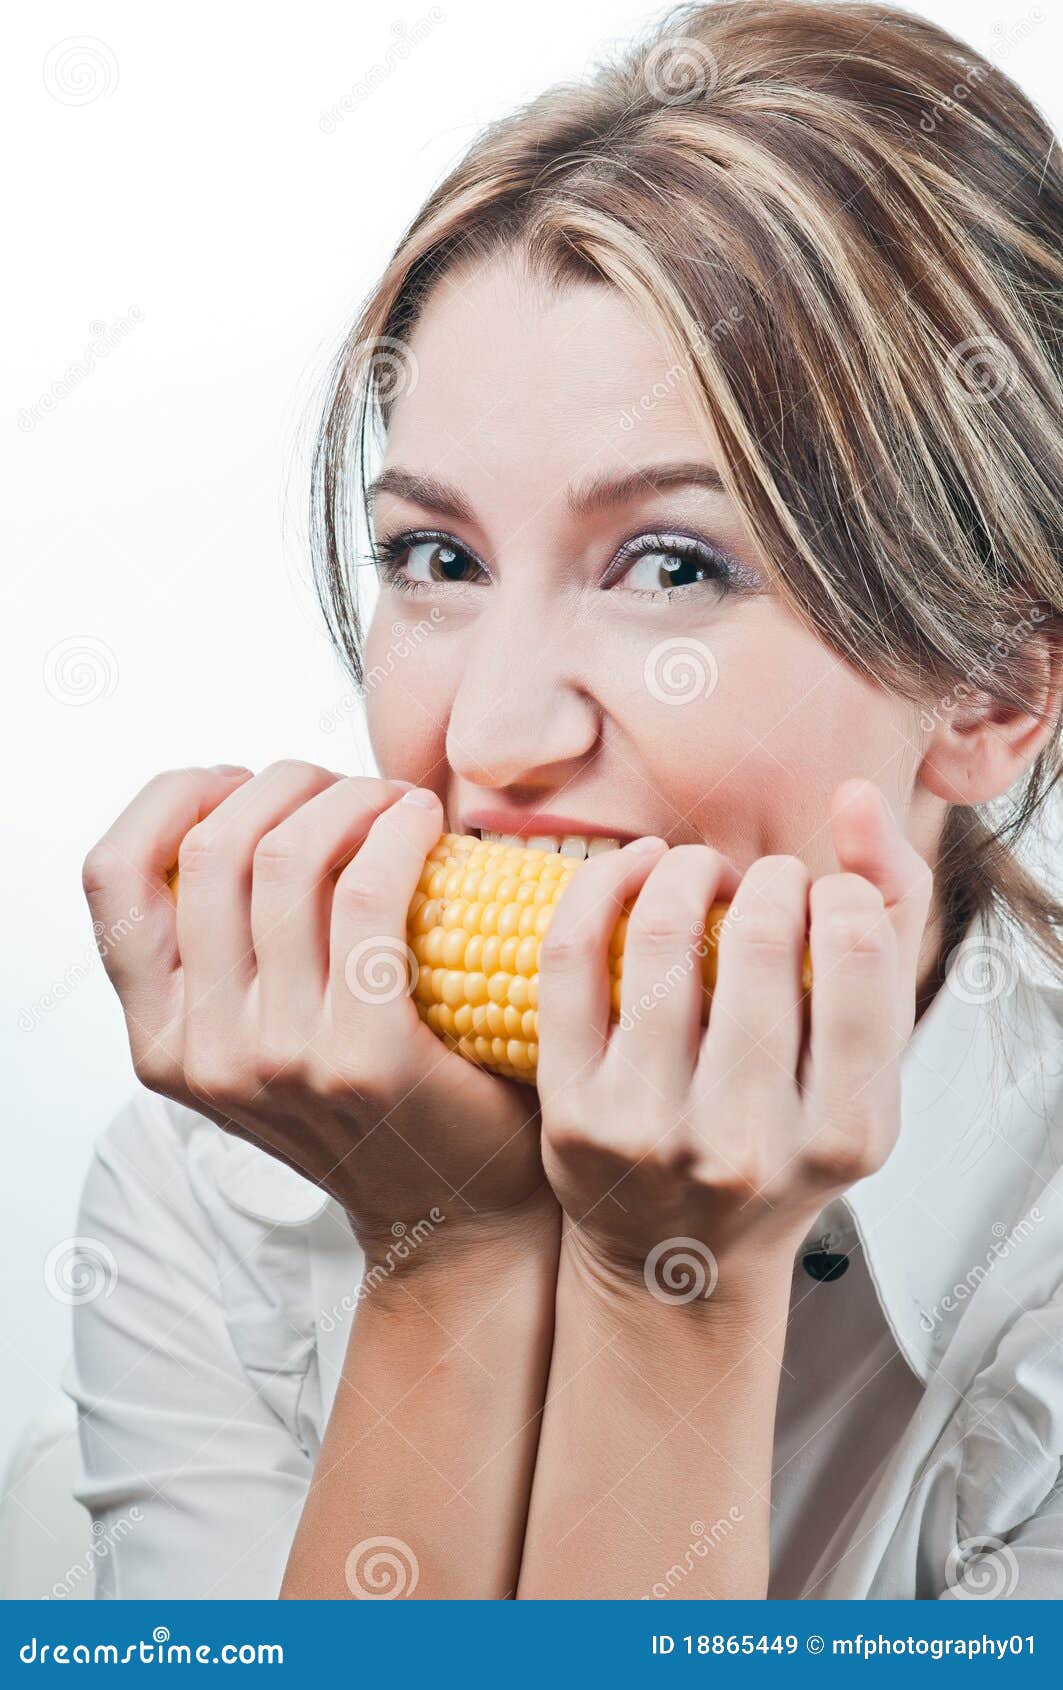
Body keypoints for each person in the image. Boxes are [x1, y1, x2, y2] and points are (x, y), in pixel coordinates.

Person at [70, 0, 1063, 1598]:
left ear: (996, 694)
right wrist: (439, 1248)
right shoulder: (211, 1182)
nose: (494, 733)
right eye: (437, 559)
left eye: (674, 565)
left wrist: (676, 1289)